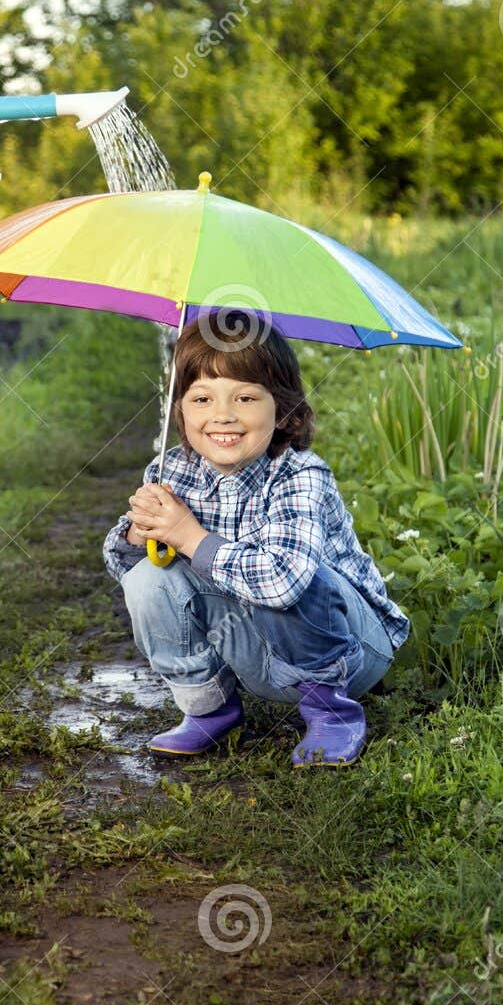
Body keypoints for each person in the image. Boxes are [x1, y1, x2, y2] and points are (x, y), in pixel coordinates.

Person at [103, 311, 410, 765]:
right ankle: (212, 711)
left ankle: (333, 713)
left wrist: (190, 535)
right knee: (150, 577)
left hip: (347, 652)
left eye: (245, 397)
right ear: (180, 408)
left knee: (292, 574)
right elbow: (125, 567)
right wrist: (138, 531)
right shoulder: (172, 472)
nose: (222, 415)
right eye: (202, 398)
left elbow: (284, 582)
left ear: (282, 407)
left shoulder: (299, 475)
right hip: (253, 650)